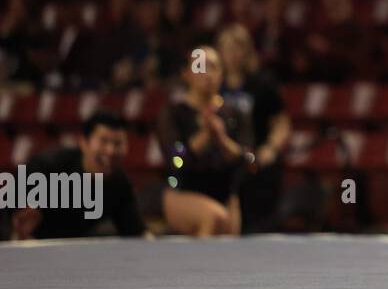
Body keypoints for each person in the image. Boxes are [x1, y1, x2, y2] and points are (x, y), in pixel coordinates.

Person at [156, 45, 254, 236]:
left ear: (222, 74)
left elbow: (248, 159)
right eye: (200, 67)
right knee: (214, 217)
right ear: (186, 74)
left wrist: (221, 138)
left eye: (213, 67)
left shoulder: (235, 113)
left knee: (228, 240)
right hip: (182, 192)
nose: (207, 74)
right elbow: (175, 160)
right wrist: (205, 135)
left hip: (226, 195)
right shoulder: (173, 112)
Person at [9, 111, 146, 240]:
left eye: (118, 143)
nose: (110, 151)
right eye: (103, 141)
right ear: (84, 142)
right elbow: (13, 220)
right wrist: (16, 231)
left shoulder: (120, 183)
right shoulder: (46, 169)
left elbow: (136, 236)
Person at [217, 24, 291, 233]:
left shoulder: (262, 83)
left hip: (256, 161)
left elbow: (281, 123)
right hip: (226, 163)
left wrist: (271, 148)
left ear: (247, 51)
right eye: (227, 49)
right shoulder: (215, 85)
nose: (232, 55)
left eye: (237, 48)